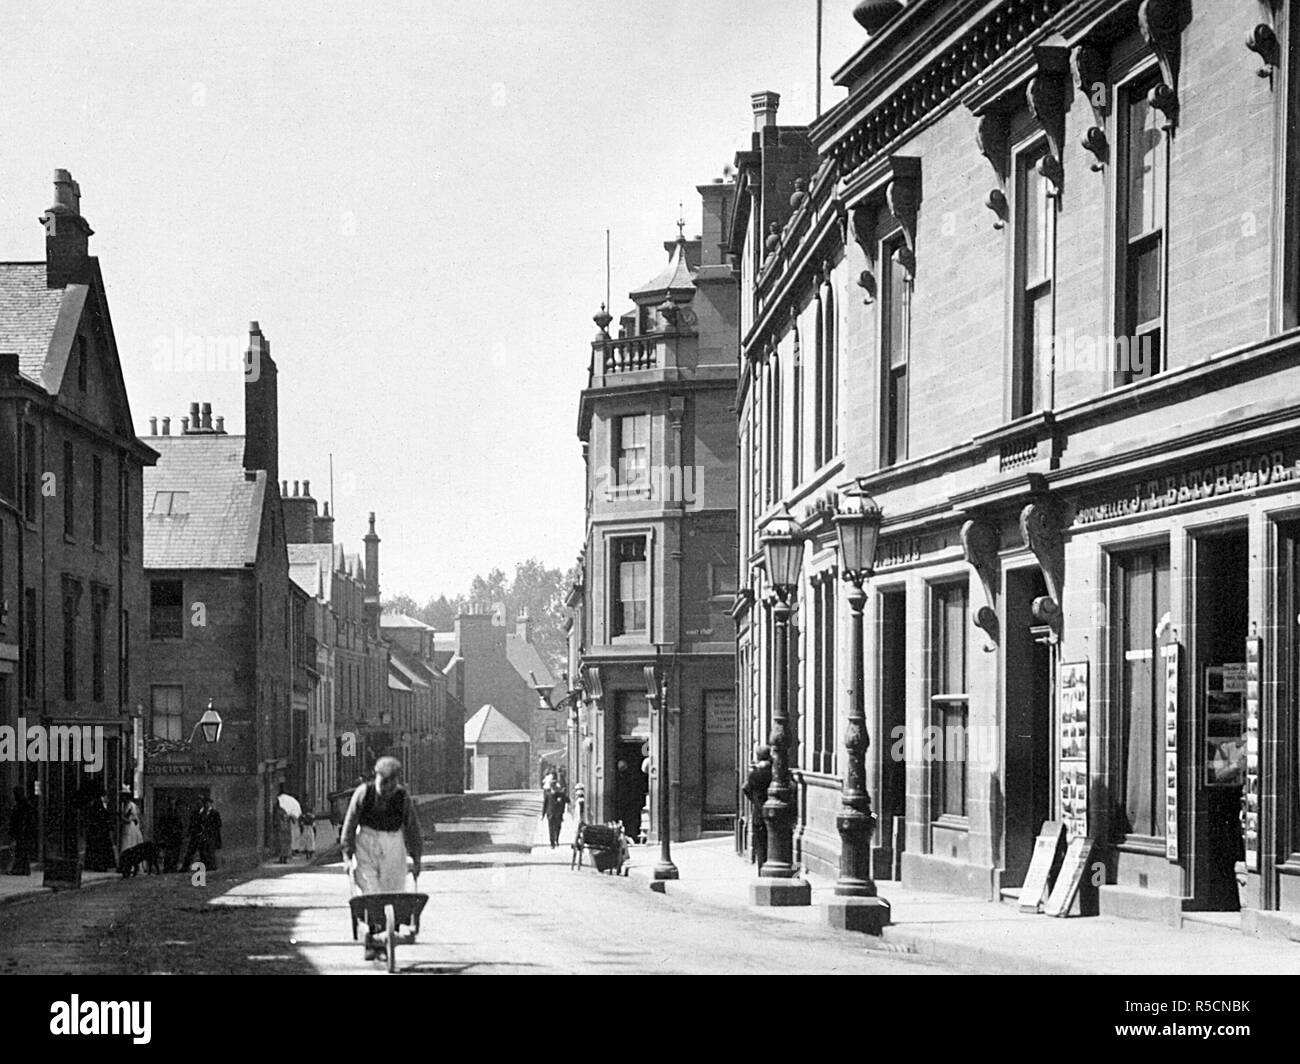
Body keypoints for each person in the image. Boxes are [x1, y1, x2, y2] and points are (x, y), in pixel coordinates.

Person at [340, 757, 424, 961]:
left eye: (391, 784)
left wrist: (416, 858)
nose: (386, 789)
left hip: (393, 843)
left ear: (397, 781)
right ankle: (371, 940)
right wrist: (347, 855)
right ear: (375, 777)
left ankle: (388, 935)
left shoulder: (403, 798)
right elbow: (349, 826)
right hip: (366, 842)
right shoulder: (363, 793)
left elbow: (413, 830)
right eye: (383, 783)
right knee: (371, 891)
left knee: (393, 891)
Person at [743, 745, 773, 870]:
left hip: (759, 813)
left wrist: (755, 801)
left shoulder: (754, 774)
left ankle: (761, 869)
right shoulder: (774, 772)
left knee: (761, 844)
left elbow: (745, 788)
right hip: (774, 811)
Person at [83, 790, 117, 872]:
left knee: (96, 849)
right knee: (101, 849)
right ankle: (101, 865)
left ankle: (96, 865)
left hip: (96, 832)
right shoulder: (100, 806)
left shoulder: (96, 805)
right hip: (101, 832)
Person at [8, 788, 36, 876]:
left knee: (21, 851)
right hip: (23, 832)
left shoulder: (22, 806)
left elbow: (20, 820)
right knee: (22, 851)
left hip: (22, 832)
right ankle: (24, 869)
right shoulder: (24, 805)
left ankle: (20, 869)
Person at [157, 799, 184, 873]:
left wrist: (178, 831)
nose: (172, 805)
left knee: (176, 852)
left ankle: (174, 866)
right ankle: (167, 866)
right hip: (168, 835)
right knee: (168, 851)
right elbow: (161, 823)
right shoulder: (165, 813)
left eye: (173, 804)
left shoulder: (178, 812)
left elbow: (180, 824)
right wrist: (163, 834)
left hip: (176, 835)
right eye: (171, 804)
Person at [542, 779, 568, 849]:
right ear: (551, 787)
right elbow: (545, 804)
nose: (553, 787)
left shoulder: (560, 794)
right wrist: (543, 814)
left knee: (558, 827)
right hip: (550, 814)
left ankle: (556, 839)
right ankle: (552, 842)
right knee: (551, 828)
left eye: (554, 785)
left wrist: (563, 795)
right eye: (552, 786)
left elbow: (566, 800)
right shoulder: (548, 794)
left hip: (558, 814)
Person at [119, 788, 144, 854]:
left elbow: (127, 818)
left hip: (130, 828)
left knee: (129, 843)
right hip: (129, 827)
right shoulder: (129, 805)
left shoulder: (130, 806)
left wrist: (122, 817)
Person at [274, 786, 294, 864]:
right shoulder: (288, 810)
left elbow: (277, 819)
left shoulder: (280, 810)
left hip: (281, 828)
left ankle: (282, 858)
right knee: (286, 843)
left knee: (281, 843)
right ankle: (285, 858)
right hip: (287, 828)